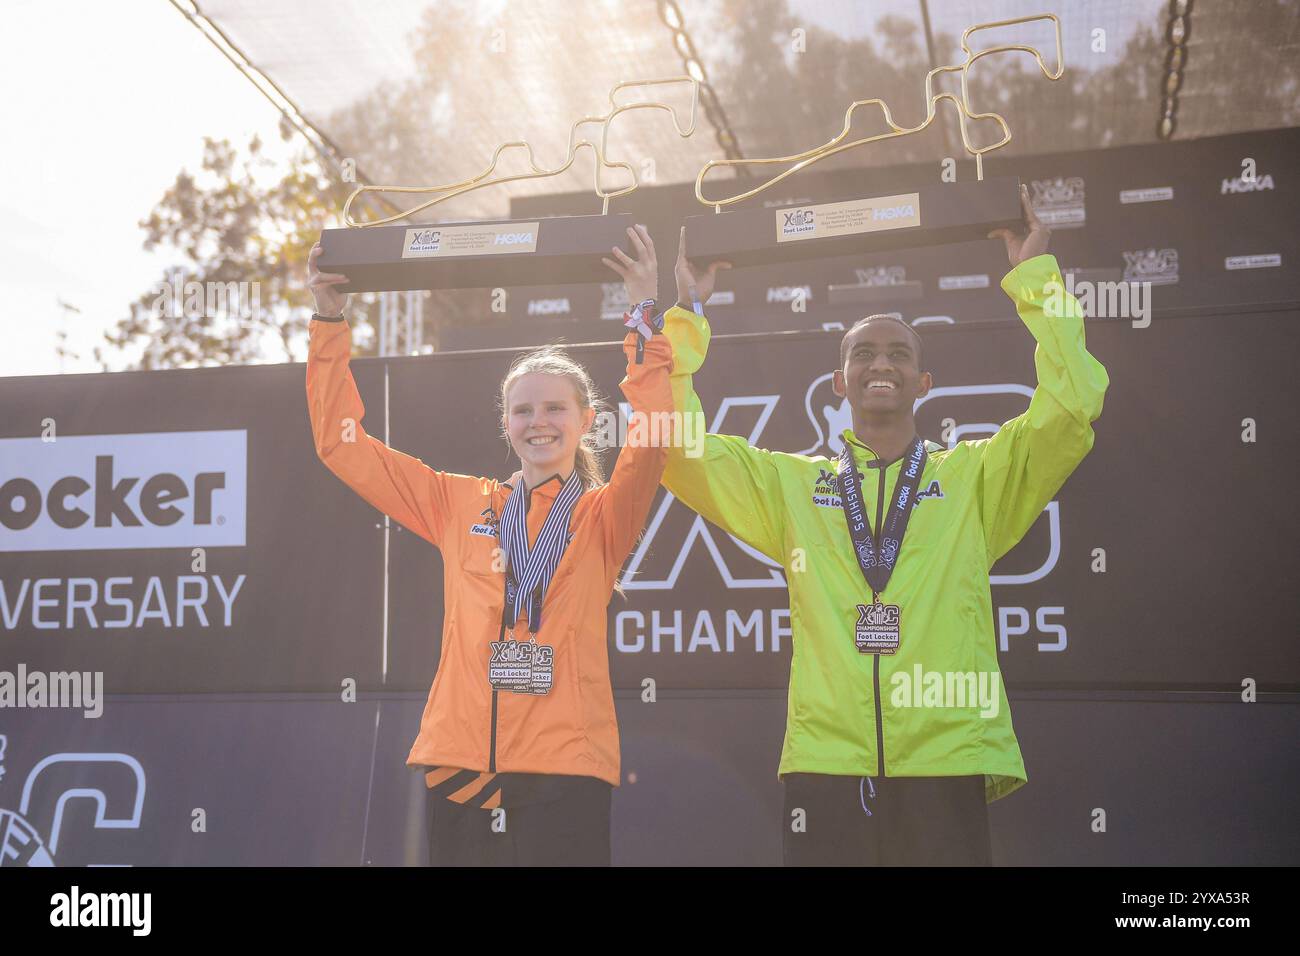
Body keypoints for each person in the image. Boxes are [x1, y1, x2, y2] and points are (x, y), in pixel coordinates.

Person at [660, 185, 1109, 865]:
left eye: (899, 354)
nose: (880, 364)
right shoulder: (793, 487)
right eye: (863, 353)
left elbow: (1072, 406)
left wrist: (1035, 280)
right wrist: (688, 313)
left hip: (945, 757)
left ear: (924, 382)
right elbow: (673, 448)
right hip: (827, 764)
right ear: (839, 382)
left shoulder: (974, 479)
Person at [304, 224, 674, 866]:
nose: (539, 423)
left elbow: (654, 440)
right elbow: (342, 445)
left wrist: (643, 315)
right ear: (505, 423)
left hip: (565, 772)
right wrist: (328, 321)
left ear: (587, 421)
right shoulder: (457, 502)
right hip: (460, 768)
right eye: (524, 411)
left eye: (556, 409)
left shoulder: (603, 516)